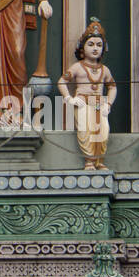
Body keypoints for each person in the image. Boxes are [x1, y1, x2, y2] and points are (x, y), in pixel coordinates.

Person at [58, 18, 117, 170]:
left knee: (103, 131)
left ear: (103, 48)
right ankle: (89, 161)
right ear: (82, 48)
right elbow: (61, 82)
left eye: (99, 45)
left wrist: (108, 104)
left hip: (99, 103)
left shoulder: (105, 70)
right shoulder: (77, 67)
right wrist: (69, 99)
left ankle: (99, 161)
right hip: (82, 102)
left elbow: (113, 87)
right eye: (91, 44)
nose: (95, 48)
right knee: (85, 131)